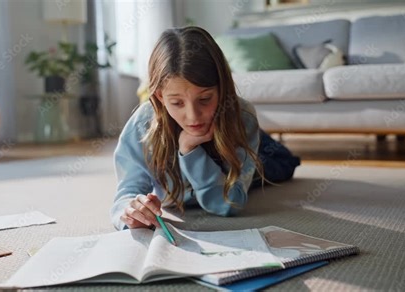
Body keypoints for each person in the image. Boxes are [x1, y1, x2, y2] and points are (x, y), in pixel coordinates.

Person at [111, 26, 299, 230]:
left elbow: (231, 204)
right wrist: (131, 212)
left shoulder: (242, 117)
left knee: (283, 164)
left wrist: (190, 150)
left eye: (205, 99)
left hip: (235, 140)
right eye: (177, 103)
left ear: (222, 89)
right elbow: (126, 195)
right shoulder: (143, 124)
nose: (193, 116)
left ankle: (266, 144)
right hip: (216, 152)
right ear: (159, 97)